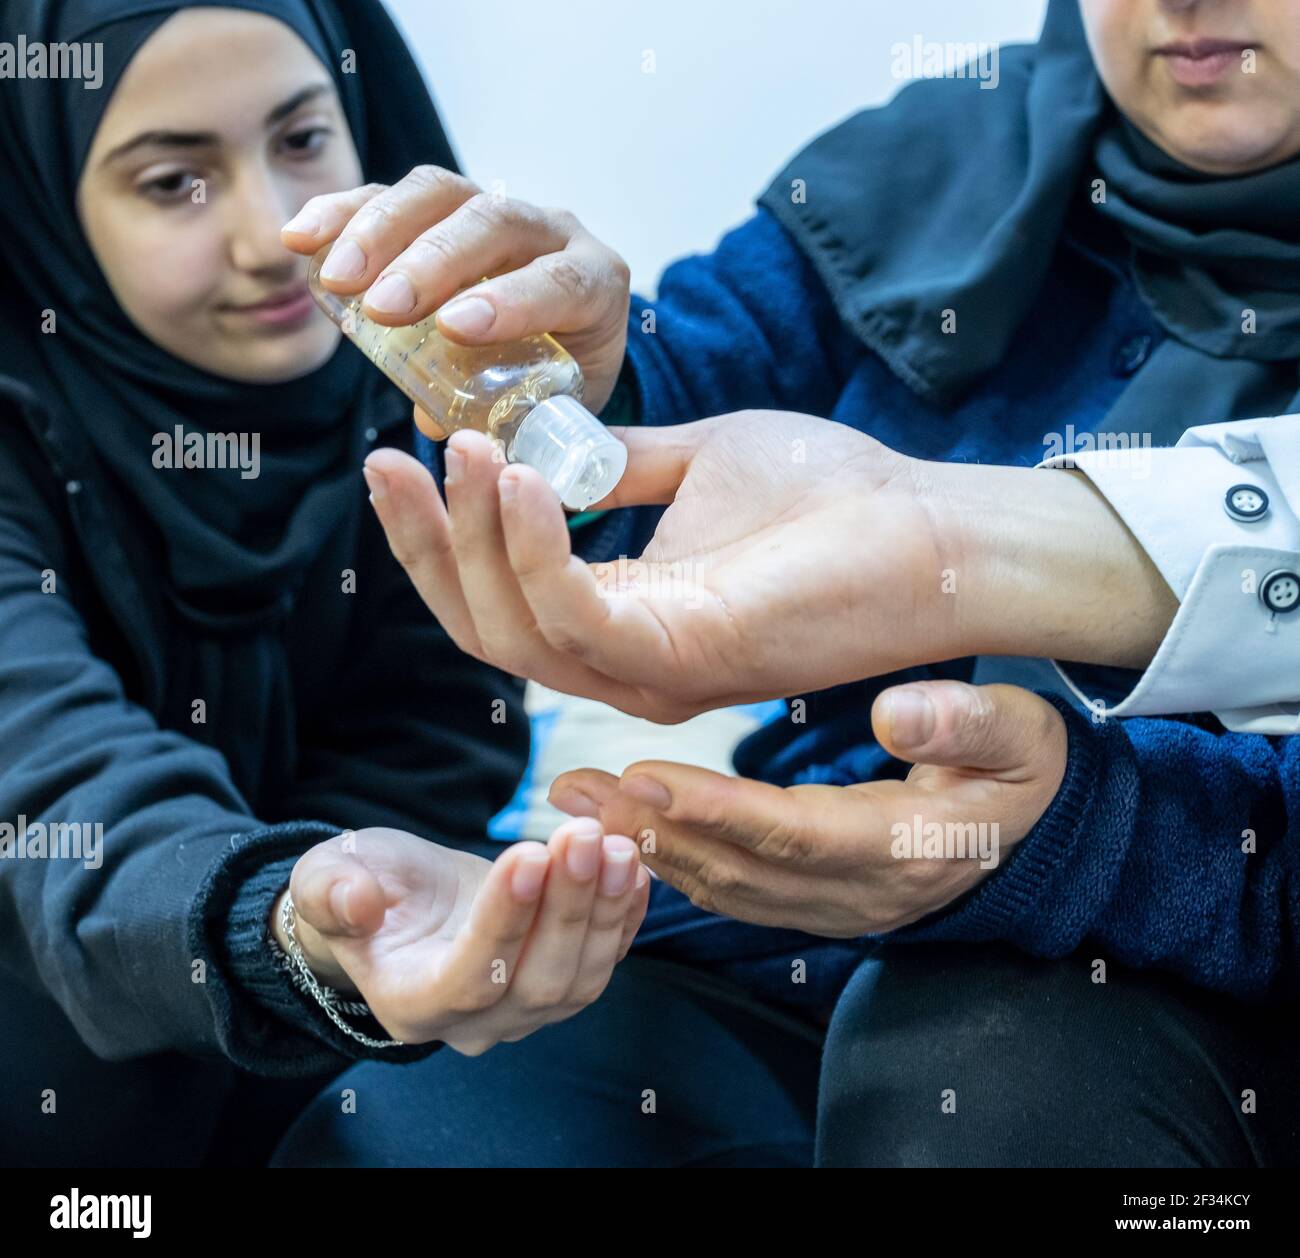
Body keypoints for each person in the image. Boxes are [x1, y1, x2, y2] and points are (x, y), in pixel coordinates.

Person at [277, 0, 1300, 1165]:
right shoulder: (931, 160)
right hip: (787, 938)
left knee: (982, 1074)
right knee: (412, 1133)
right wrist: (581, 392)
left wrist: (1087, 833)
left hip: (1192, 998)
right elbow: (660, 442)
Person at [0, 0, 650, 1169]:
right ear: (42, 205)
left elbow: (432, 743)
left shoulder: (423, 398)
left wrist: (345, 928)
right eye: (171, 182)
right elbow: (57, 804)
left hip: (335, 1045)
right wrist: (281, 919)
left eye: (303, 139)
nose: (276, 233)